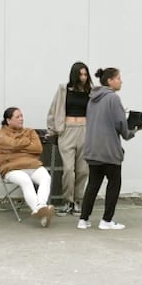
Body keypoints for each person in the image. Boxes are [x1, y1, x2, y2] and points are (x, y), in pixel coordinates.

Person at [78, 67, 137, 231]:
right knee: (114, 183)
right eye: (118, 78)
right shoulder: (113, 98)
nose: (121, 81)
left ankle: (83, 219)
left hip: (92, 149)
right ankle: (106, 220)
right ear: (110, 81)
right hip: (109, 150)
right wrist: (132, 131)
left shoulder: (92, 98)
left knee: (93, 184)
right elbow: (121, 125)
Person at [0, 107, 56, 227]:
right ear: (8, 120)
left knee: (45, 177)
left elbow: (38, 148)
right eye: (17, 117)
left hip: (31, 165)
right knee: (25, 180)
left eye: (21, 116)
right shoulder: (0, 134)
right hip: (11, 168)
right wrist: (26, 143)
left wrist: (16, 147)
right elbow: (11, 144)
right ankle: (40, 210)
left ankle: (41, 207)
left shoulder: (30, 132)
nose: (21, 119)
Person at [46, 61, 93, 215]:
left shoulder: (91, 92)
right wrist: (52, 130)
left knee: (83, 170)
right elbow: (53, 110)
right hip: (67, 131)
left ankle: (78, 201)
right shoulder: (63, 89)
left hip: (85, 131)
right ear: (74, 74)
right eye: (81, 74)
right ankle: (68, 201)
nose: (83, 77)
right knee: (68, 169)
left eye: (86, 74)